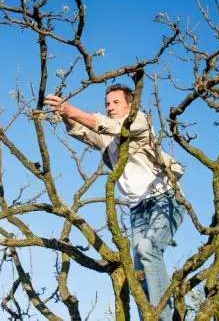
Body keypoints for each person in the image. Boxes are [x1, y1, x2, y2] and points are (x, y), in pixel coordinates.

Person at [44, 84, 185, 321]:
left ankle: (163, 317)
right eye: (107, 103)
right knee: (138, 271)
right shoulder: (106, 137)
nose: (110, 107)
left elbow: (112, 127)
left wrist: (71, 110)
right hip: (137, 208)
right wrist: (66, 116)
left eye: (115, 102)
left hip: (166, 197)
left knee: (148, 249)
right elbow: (83, 131)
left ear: (129, 105)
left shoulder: (139, 120)